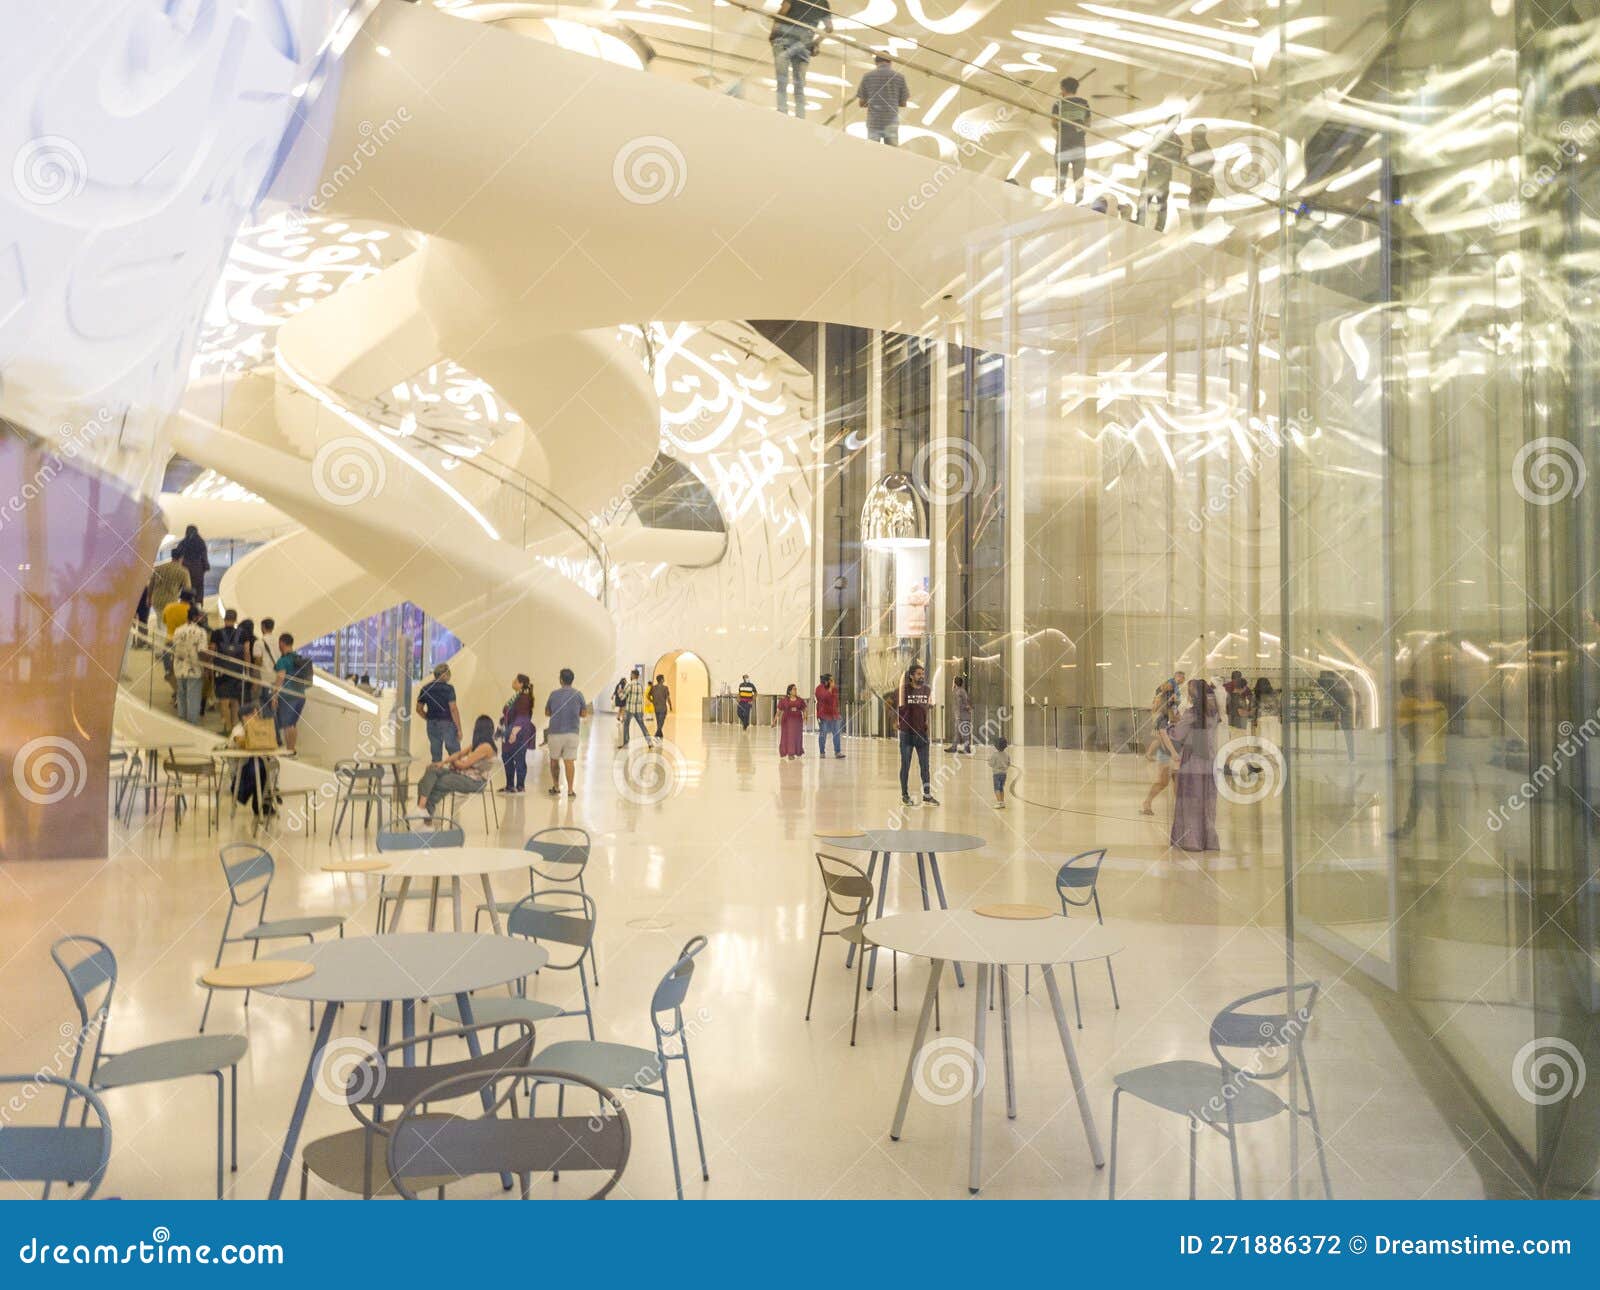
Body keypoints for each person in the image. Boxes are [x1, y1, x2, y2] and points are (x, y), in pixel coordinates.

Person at [1391, 678, 1447, 839]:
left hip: (1432, 761)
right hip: (1423, 760)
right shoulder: (1424, 710)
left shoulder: (1438, 709)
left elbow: (1429, 731)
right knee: (1417, 797)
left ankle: (1439, 831)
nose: (1422, 694)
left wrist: (1417, 720)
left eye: (1427, 691)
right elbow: (1410, 731)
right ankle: (1409, 830)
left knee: (1431, 798)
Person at [1168, 678, 1220, 851]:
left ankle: (1191, 841)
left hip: (1193, 761)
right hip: (1210, 761)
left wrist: (1170, 725)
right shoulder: (1214, 713)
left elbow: (1177, 734)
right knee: (1207, 802)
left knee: (1191, 802)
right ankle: (1209, 841)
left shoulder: (1191, 713)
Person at [417, 715, 497, 819]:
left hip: (475, 782)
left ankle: (428, 820)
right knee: (432, 771)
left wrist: (454, 762)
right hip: (464, 775)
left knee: (438, 782)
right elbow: (458, 755)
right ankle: (421, 808)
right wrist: (442, 762)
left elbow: (464, 765)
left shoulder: (486, 747)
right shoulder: (475, 745)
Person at [771, 0, 832, 119]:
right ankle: (800, 117)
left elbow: (782, 13)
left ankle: (782, 112)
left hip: (784, 40)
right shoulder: (824, 2)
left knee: (782, 80)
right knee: (799, 84)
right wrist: (816, 43)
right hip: (805, 43)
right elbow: (829, 28)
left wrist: (773, 33)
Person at [895, 662, 938, 807]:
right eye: (919, 674)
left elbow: (929, 706)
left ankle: (927, 794)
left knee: (925, 765)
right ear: (912, 676)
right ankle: (905, 795)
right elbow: (899, 709)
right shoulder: (904, 690)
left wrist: (925, 721)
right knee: (905, 764)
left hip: (922, 733)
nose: (922, 676)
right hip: (907, 733)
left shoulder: (927, 690)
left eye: (923, 674)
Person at [545, 667, 589, 798]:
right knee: (569, 761)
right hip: (572, 733)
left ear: (561, 680)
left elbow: (547, 712)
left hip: (555, 733)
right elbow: (584, 713)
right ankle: (570, 790)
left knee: (554, 761)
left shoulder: (553, 694)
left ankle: (556, 786)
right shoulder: (578, 694)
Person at [1140, 690, 1179, 815]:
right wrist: (1172, 752)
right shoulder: (1162, 717)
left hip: (1176, 751)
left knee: (1178, 780)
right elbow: (1163, 734)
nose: (1174, 698)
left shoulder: (1174, 711)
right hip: (1166, 754)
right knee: (1163, 782)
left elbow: (1180, 723)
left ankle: (1179, 807)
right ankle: (1147, 802)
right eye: (1172, 697)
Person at [271, 632, 312, 753]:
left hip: (288, 696)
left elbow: (280, 677)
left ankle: (289, 751)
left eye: (279, 643)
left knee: (288, 725)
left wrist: (274, 696)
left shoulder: (283, 660)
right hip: (301, 695)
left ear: (282, 643)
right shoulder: (297, 658)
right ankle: (292, 749)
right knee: (293, 724)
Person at [856, 53, 908, 146]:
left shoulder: (867, 76)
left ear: (876, 62)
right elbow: (903, 103)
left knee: (872, 152)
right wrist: (891, 101)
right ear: (890, 61)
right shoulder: (899, 77)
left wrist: (874, 101)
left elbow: (862, 103)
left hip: (874, 122)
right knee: (892, 154)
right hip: (891, 122)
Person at [1053, 76, 1091, 202]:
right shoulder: (1084, 103)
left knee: (1061, 176)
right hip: (1079, 144)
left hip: (1063, 143)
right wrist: (1079, 131)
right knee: (1079, 176)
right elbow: (1088, 123)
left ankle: (1059, 201)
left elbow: (1053, 122)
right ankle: (1079, 202)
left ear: (1063, 88)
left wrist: (1063, 130)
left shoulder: (1058, 103)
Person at [1140, 116, 1182, 230]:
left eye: (1176, 123)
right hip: (1155, 173)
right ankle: (1144, 224)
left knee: (1159, 202)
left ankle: (1158, 227)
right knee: (1147, 199)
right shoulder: (1162, 135)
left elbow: (1176, 160)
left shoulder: (1177, 140)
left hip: (1162, 175)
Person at [416, 662, 462, 762]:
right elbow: (453, 709)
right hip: (447, 723)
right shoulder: (449, 689)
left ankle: (437, 776)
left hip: (432, 724)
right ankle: (456, 776)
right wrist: (459, 729)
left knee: (436, 756)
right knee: (455, 755)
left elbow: (418, 709)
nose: (449, 676)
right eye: (448, 674)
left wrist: (428, 718)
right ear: (444, 675)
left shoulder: (425, 688)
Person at [499, 674, 536, 794]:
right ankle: (510, 785)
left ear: (520, 684)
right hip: (510, 729)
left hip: (519, 732)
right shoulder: (517, 696)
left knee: (519, 758)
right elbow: (509, 714)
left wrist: (514, 733)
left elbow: (522, 717)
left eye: (515, 681)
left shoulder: (523, 698)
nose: (513, 682)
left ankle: (520, 786)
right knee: (506, 756)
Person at [171, 606, 208, 724]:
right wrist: (208, 665)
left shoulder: (178, 630)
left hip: (179, 667)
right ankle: (191, 723)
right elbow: (202, 651)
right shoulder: (201, 632)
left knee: (181, 695)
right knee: (193, 698)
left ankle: (182, 720)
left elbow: (174, 647)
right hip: (194, 669)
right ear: (196, 617)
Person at [210, 609, 245, 733]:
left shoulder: (216, 633)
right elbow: (246, 652)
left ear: (225, 619)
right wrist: (245, 668)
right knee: (235, 700)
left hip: (221, 671)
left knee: (224, 701)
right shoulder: (242, 634)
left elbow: (212, 650)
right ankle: (235, 726)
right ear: (235, 620)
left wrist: (211, 666)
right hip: (237, 671)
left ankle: (227, 729)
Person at [146, 551, 190, 641]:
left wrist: (149, 598)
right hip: (171, 602)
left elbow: (151, 585)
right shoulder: (183, 571)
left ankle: (159, 648)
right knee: (168, 625)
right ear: (181, 558)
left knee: (160, 623)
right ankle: (165, 647)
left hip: (157, 600)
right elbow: (188, 589)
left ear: (172, 556)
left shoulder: (159, 568)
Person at [1186, 124, 1215, 225]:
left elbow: (1205, 166)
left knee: (1197, 217)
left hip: (1202, 189)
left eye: (1194, 137)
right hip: (1199, 189)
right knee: (1196, 215)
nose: (1192, 140)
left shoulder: (1205, 151)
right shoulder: (1201, 151)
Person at [172, 524, 210, 601]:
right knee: (198, 587)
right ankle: (197, 603)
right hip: (198, 568)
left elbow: (177, 554)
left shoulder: (184, 542)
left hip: (186, 567)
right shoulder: (201, 542)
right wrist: (205, 567)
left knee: (186, 585)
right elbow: (204, 556)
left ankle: (185, 602)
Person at [815, 672, 843, 757]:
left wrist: (837, 714)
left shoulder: (834, 689)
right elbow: (824, 698)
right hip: (823, 715)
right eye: (831, 680)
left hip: (834, 715)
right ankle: (822, 752)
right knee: (823, 733)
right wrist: (830, 689)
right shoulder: (819, 688)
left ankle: (837, 752)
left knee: (837, 733)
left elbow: (834, 701)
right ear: (827, 681)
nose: (833, 682)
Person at [621, 667, 651, 747]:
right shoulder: (641, 686)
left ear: (633, 675)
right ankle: (650, 742)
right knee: (642, 726)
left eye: (631, 674)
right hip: (638, 710)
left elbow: (622, 697)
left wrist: (620, 692)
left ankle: (626, 743)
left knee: (626, 725)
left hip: (630, 709)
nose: (630, 675)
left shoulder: (629, 684)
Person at [777, 684, 806, 759]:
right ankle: (790, 753)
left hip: (798, 721)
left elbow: (804, 709)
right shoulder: (784, 700)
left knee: (797, 736)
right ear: (789, 691)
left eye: (796, 689)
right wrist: (774, 721)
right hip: (787, 721)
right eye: (794, 689)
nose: (795, 690)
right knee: (789, 736)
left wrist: (805, 716)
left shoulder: (800, 700)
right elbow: (779, 711)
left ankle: (797, 751)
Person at [945, 675, 974, 753]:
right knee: (957, 732)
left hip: (962, 716)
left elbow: (962, 704)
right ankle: (955, 747)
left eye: (953, 681)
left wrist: (967, 708)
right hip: (961, 715)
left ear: (955, 683)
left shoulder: (959, 692)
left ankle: (966, 749)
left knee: (964, 732)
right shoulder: (960, 691)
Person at [989, 736, 1011, 809]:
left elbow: (991, 764)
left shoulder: (994, 755)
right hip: (1004, 774)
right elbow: (1008, 764)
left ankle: (999, 802)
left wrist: (989, 761)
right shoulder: (1007, 754)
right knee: (1001, 788)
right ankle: (1002, 802)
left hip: (996, 774)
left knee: (996, 788)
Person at [650, 673, 672, 740]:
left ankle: (660, 734)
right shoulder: (665, 688)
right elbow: (668, 698)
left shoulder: (653, 688)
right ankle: (657, 734)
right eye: (663, 678)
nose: (664, 679)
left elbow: (648, 695)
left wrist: (652, 701)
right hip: (663, 708)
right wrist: (670, 706)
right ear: (662, 680)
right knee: (661, 722)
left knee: (659, 722)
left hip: (656, 707)